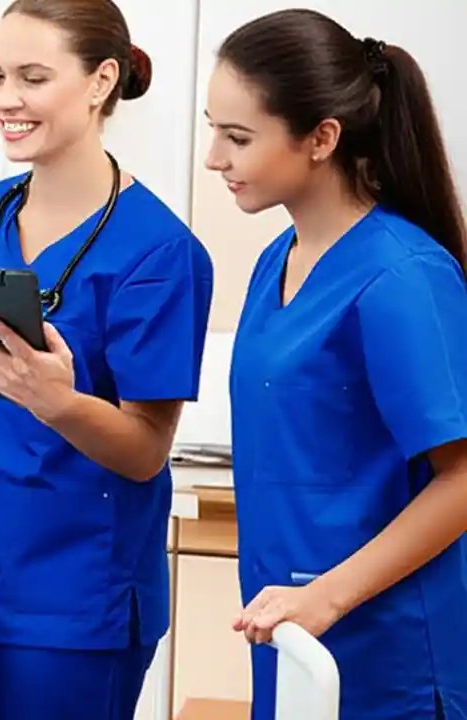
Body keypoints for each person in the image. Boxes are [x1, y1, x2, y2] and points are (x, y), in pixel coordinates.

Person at [0, 1, 214, 717]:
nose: (6, 99)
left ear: (102, 81)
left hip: (74, 612)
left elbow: (145, 451)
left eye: (33, 78)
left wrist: (56, 401)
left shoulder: (160, 252)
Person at [204, 9, 467, 719]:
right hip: (294, 643)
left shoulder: (403, 277)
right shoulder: (274, 264)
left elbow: (462, 478)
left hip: (390, 662)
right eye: (211, 130)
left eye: (237, 137)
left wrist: (326, 594)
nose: (213, 158)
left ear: (322, 138)